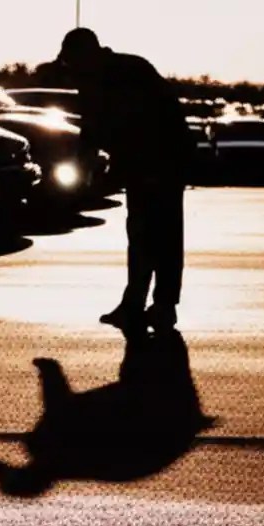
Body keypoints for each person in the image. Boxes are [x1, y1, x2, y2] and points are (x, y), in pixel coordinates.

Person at [55, 28, 193, 333]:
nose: (71, 72)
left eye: (72, 64)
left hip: (161, 160)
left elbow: (123, 127)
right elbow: (94, 133)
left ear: (84, 55)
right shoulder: (111, 72)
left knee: (159, 233)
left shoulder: (122, 74)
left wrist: (89, 173)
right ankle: (140, 304)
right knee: (146, 233)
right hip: (151, 161)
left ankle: (160, 306)